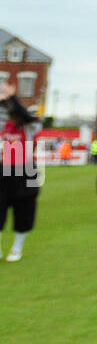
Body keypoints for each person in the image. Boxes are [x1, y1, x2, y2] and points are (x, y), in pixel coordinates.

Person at [0, 81, 41, 262]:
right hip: (5, 167)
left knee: (25, 210)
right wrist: (5, 99)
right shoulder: (4, 125)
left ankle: (17, 248)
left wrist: (12, 97)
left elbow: (25, 115)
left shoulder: (31, 127)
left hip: (27, 169)